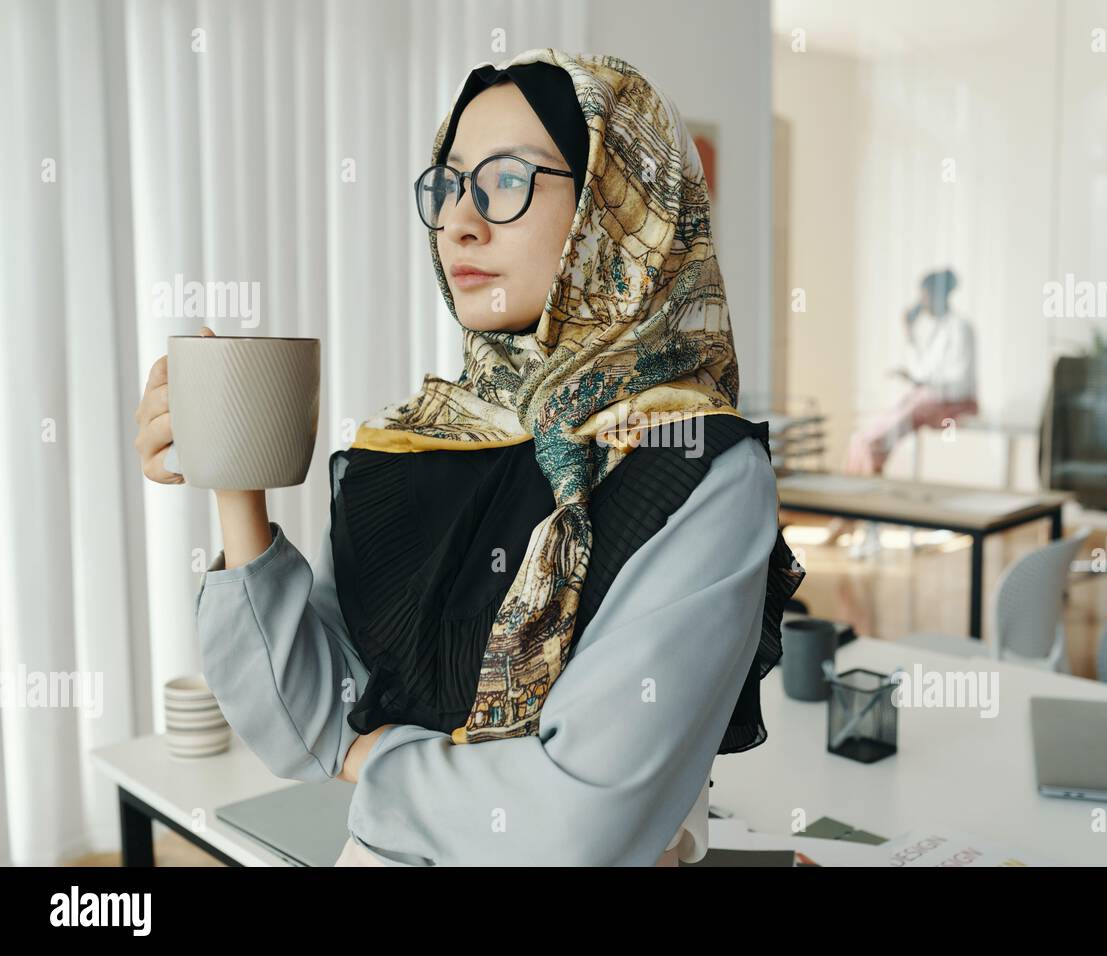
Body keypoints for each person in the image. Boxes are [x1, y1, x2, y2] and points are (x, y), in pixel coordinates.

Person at [133, 49, 804, 867]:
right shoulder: (430, 438)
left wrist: (365, 758)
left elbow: (572, 829)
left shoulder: (700, 467)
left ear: (617, 207)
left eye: (507, 180)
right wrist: (234, 485)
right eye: (449, 184)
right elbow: (298, 719)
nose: (459, 219)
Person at [826, 269, 978, 551]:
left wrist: (927, 385)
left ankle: (856, 519)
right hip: (927, 398)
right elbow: (923, 371)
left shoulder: (960, 328)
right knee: (861, 440)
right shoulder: (938, 329)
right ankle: (849, 515)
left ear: (936, 295)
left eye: (925, 296)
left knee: (872, 442)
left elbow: (960, 383)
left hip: (949, 403)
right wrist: (909, 335)